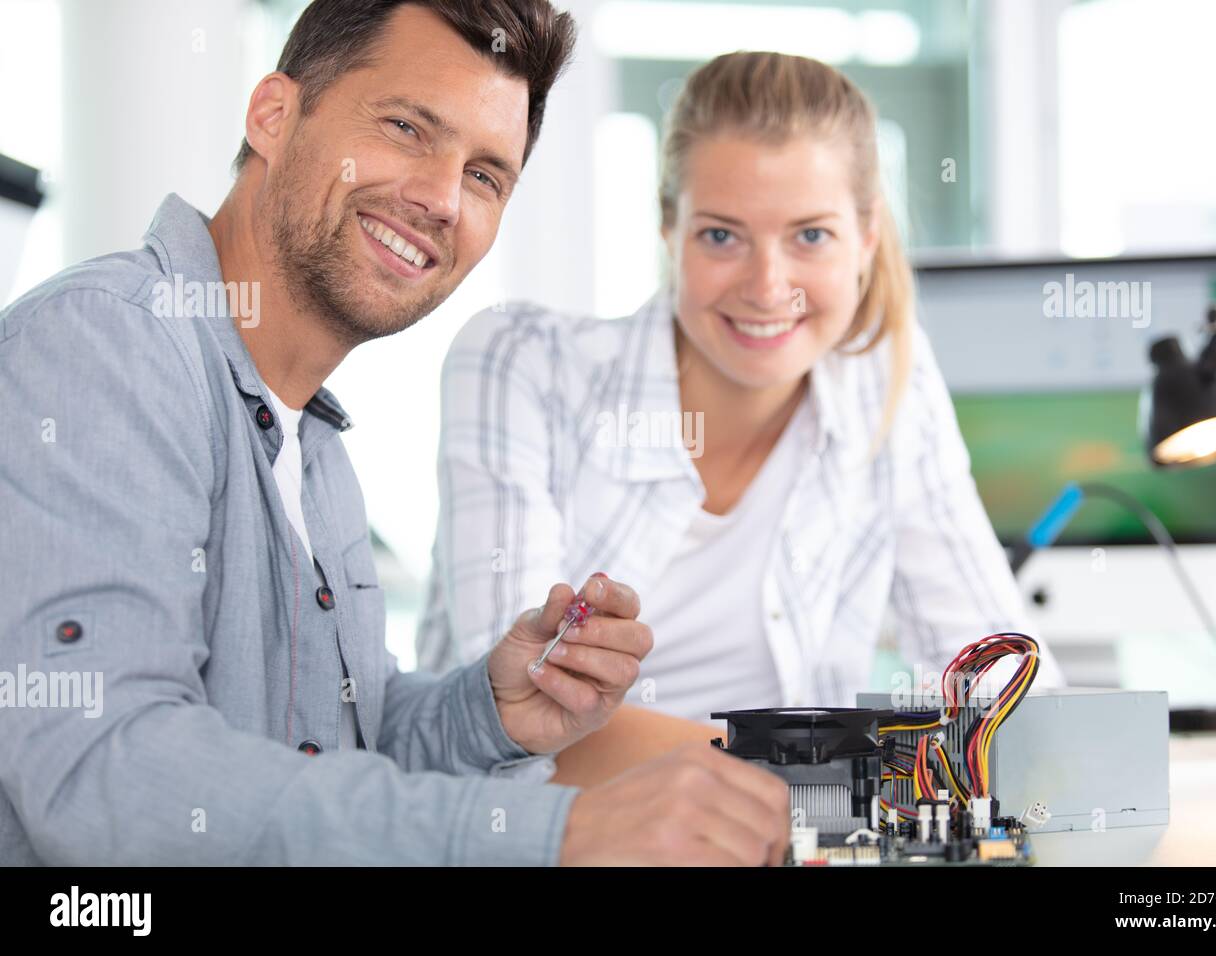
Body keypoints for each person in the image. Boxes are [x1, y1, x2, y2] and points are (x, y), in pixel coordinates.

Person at [0, 0, 790, 867]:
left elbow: (330, 759)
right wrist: (559, 834)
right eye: (409, 127)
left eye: (486, 175)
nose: (442, 198)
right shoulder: (104, 346)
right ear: (273, 114)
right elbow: (106, 772)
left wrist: (488, 714)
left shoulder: (317, 445)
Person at [417, 50, 1066, 787]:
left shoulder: (886, 378)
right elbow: (514, 717)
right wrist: (822, 776)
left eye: (810, 236)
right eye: (722, 236)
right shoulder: (522, 363)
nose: (767, 286)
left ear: (868, 237)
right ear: (670, 230)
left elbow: (999, 684)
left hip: (777, 835)